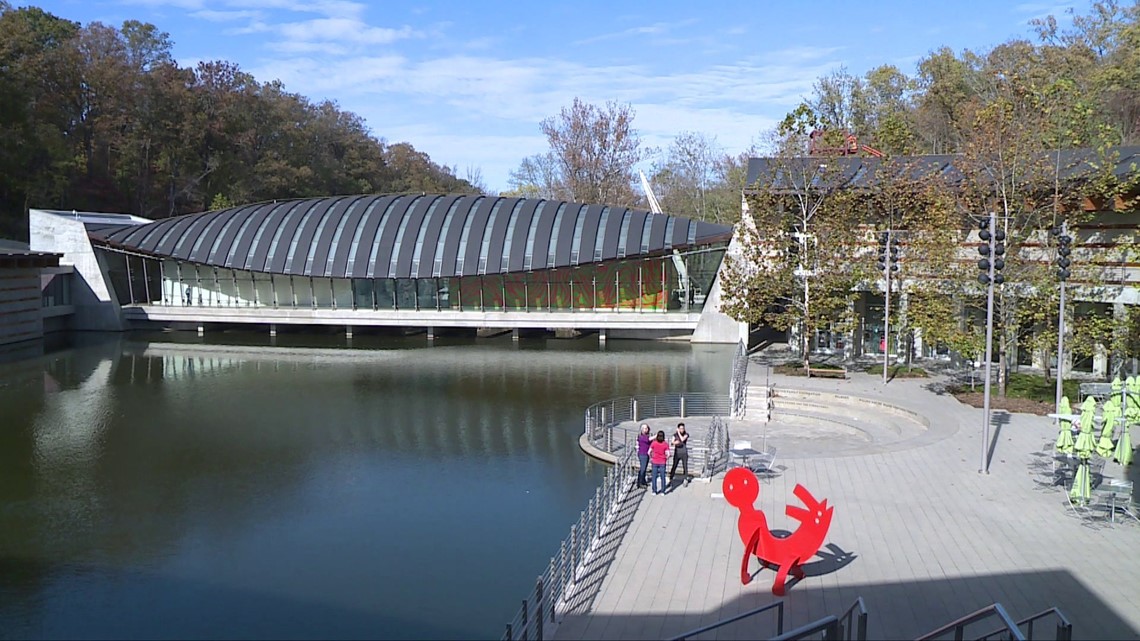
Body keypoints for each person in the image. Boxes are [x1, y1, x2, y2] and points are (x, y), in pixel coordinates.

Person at [649, 430, 670, 495]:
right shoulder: (665, 444)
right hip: (662, 462)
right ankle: (663, 491)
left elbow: (649, 452)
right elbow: (668, 454)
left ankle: (654, 491)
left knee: (654, 477)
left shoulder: (654, 443)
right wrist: (666, 459)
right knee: (662, 477)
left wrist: (651, 458)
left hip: (654, 461)